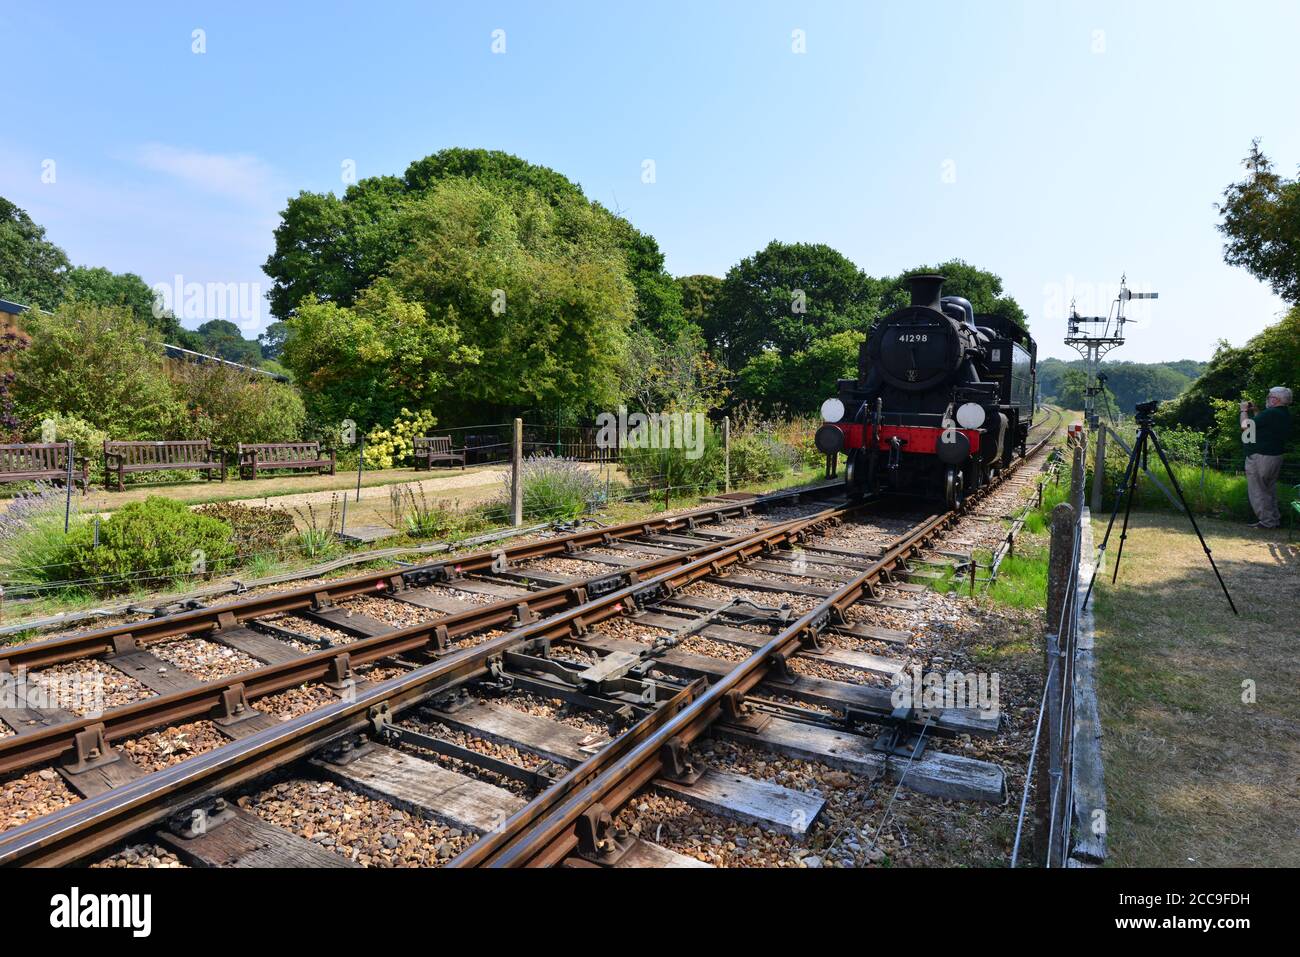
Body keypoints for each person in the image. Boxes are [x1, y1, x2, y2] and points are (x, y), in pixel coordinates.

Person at [1239, 386, 1292, 528]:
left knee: (1258, 490)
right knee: (1269, 490)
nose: (1267, 399)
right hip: (1275, 456)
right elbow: (1263, 425)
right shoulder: (1283, 413)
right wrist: (1256, 412)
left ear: (1275, 400)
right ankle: (1273, 519)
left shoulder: (1272, 413)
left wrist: (1243, 410)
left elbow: (1245, 426)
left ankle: (1267, 522)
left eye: (1269, 397)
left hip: (1261, 456)